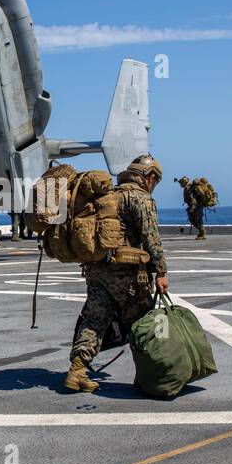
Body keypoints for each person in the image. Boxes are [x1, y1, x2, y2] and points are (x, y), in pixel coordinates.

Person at [66, 155, 169, 393]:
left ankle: (77, 371)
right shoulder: (139, 198)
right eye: (155, 181)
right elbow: (151, 238)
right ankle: (153, 376)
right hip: (127, 274)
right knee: (143, 324)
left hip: (96, 270)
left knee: (94, 320)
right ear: (150, 177)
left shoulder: (108, 195)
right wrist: (161, 271)